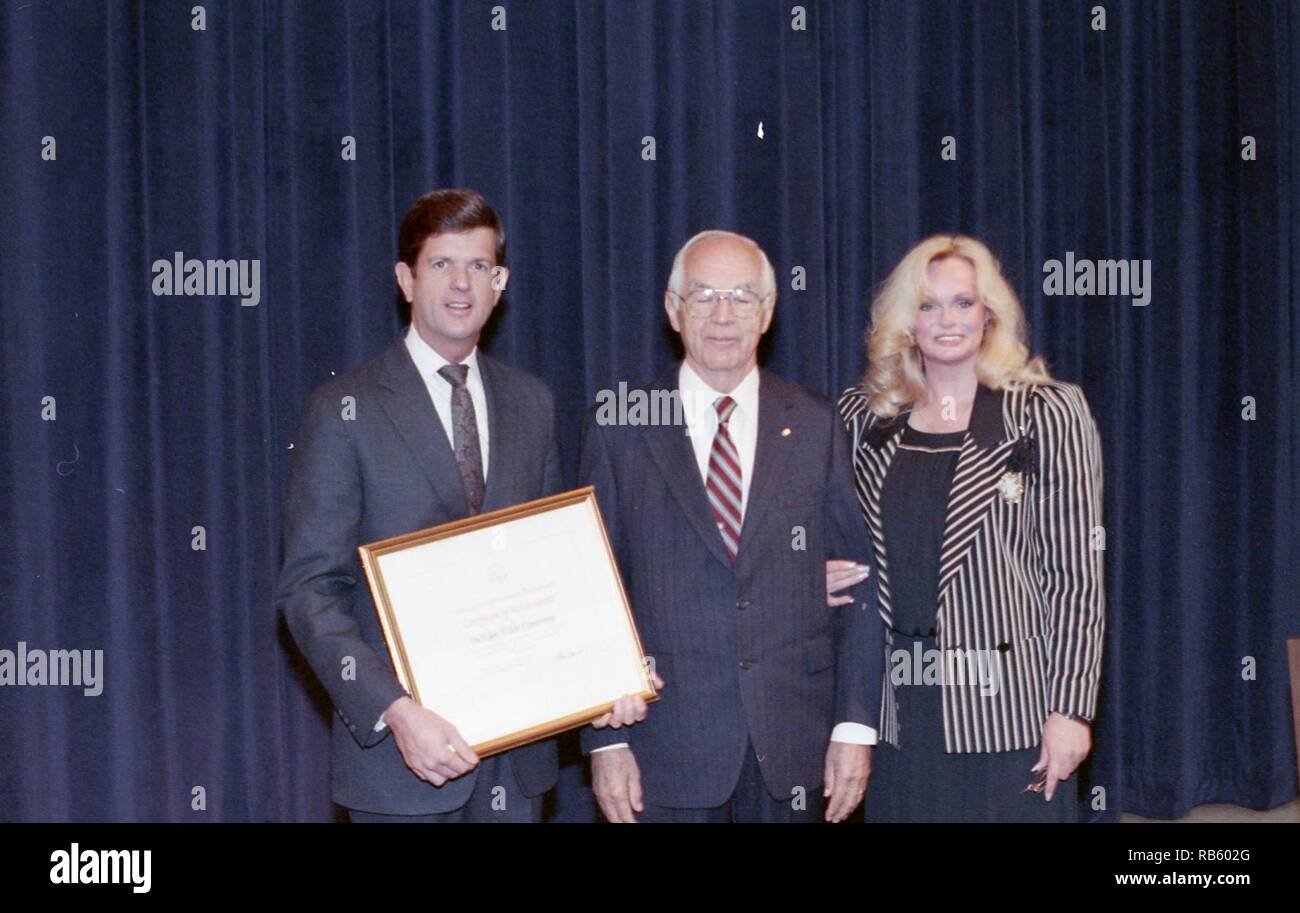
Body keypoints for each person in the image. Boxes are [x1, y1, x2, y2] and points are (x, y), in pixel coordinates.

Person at [278, 188, 590, 822]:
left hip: (516, 759)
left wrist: (597, 674)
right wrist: (395, 711)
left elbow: (557, 569)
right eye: (441, 264)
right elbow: (311, 590)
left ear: (500, 282)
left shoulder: (534, 404)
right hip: (400, 762)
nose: (461, 283)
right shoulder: (345, 410)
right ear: (405, 279)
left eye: (479, 266)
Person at [579, 229, 883, 823]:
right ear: (674, 309)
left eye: (743, 297)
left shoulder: (817, 424)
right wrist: (605, 741)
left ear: (767, 313)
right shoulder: (619, 427)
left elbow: (860, 584)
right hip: (665, 750)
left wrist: (855, 727)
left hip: (797, 750)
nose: (723, 315)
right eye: (704, 296)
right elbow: (591, 587)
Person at [838, 234, 1105, 822]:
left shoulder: (1047, 412)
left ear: (990, 314)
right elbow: (829, 535)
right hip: (897, 710)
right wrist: (815, 570)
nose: (946, 319)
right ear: (906, 321)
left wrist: (1071, 709)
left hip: (1011, 707)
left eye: (963, 302)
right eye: (927, 305)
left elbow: (1075, 577)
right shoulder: (862, 417)